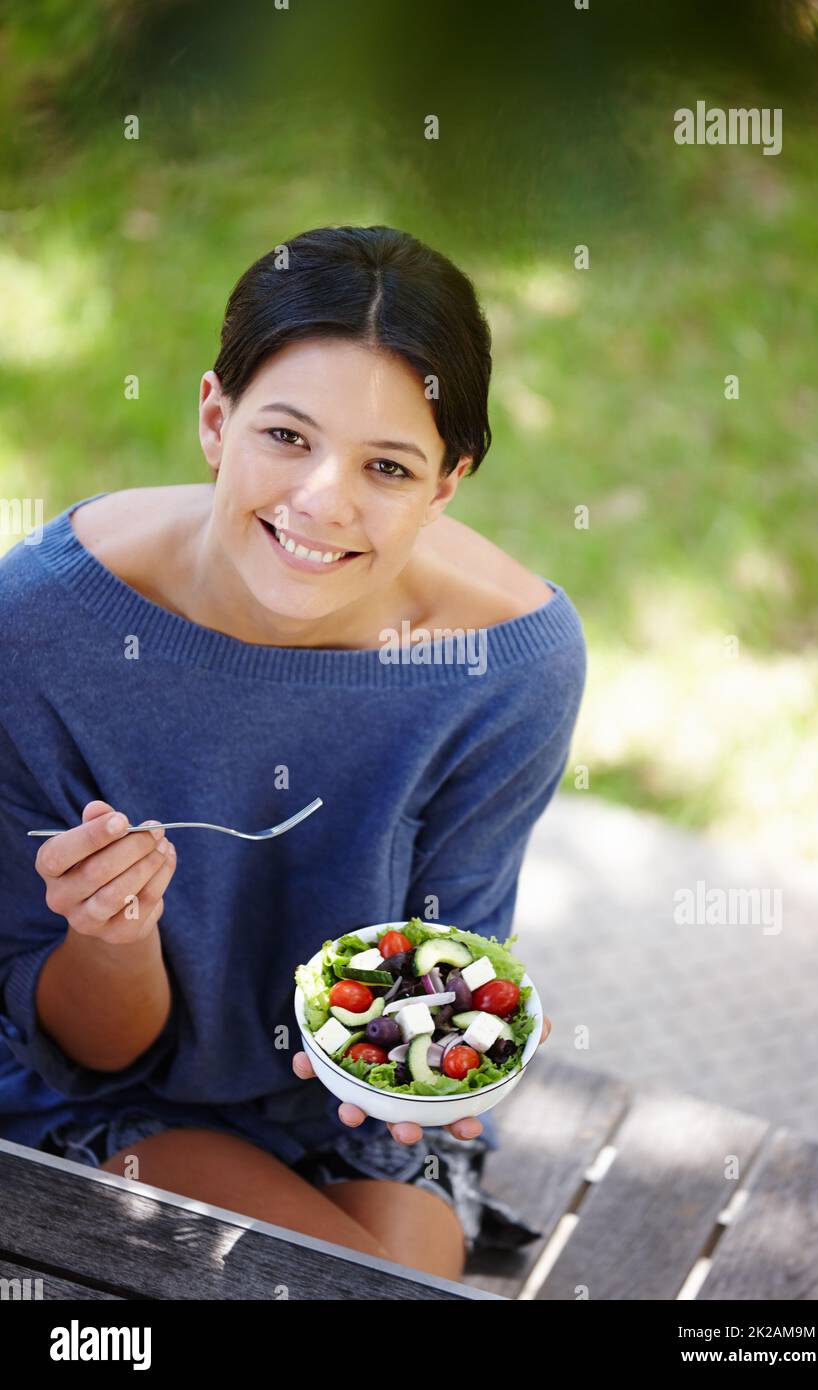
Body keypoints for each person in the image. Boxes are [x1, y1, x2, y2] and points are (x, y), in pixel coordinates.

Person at [0, 225, 587, 1283]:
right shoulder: (45, 626)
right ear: (214, 418)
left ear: (446, 482)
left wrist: (443, 1051)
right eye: (285, 435)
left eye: (388, 465)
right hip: (112, 1095)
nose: (324, 499)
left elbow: (442, 963)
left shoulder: (509, 665)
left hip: (353, 1104)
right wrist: (114, 935)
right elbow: (80, 1046)